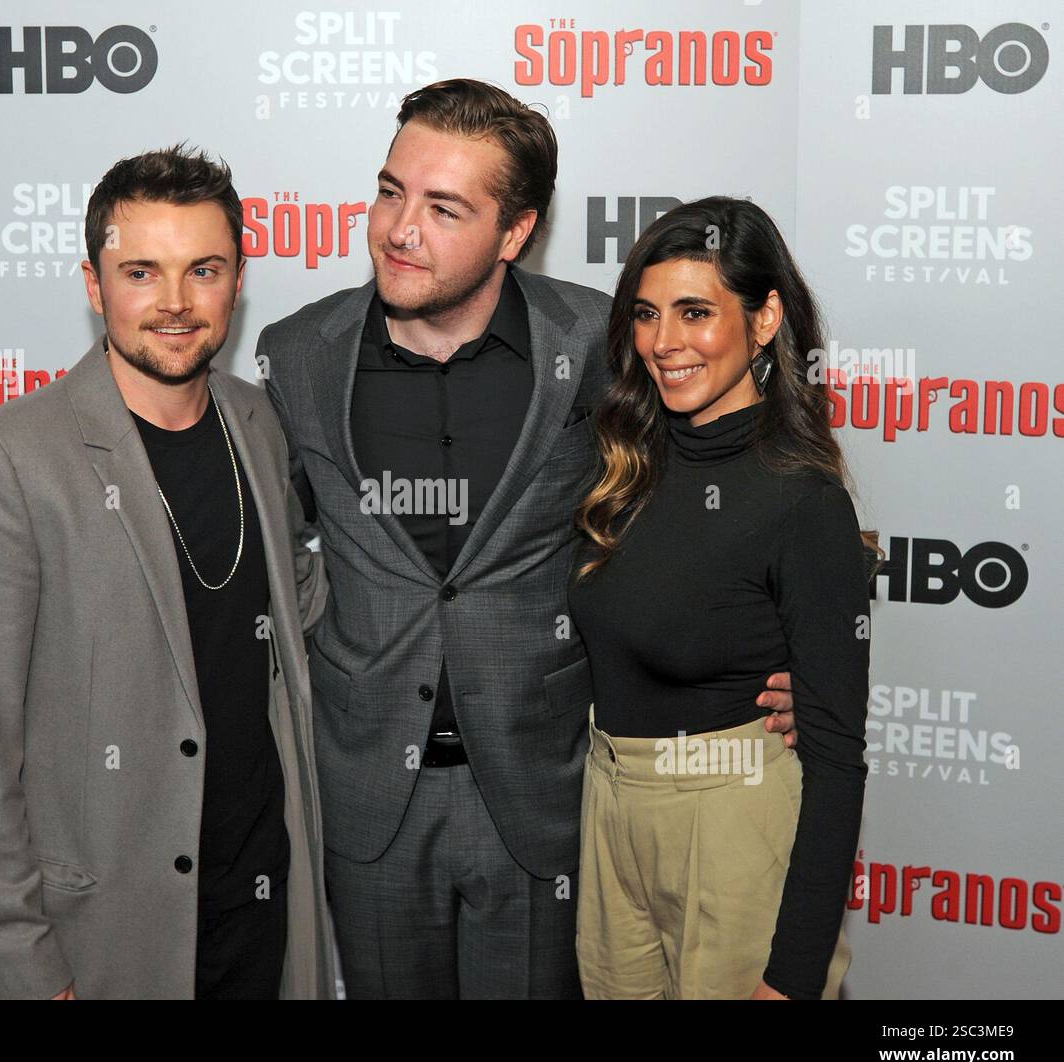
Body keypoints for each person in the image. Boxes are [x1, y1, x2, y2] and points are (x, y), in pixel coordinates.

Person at [259, 80, 800, 999]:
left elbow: (721, 491)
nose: (398, 228)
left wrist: (793, 653)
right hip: (368, 800)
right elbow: (275, 551)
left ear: (514, 232)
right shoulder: (298, 354)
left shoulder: (597, 338)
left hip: (542, 792)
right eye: (391, 190)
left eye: (443, 208)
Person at [0, 145, 333, 999]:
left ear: (238, 279)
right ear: (93, 282)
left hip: (259, 908)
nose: (176, 303)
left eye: (203, 270)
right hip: (101, 939)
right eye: (141, 271)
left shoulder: (257, 422)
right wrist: (24, 967)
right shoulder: (8, 458)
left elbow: (292, 608)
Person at [569, 196, 878, 999]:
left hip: (733, 821)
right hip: (610, 811)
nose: (663, 343)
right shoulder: (622, 463)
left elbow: (839, 761)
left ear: (766, 316)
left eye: (696, 312)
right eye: (646, 314)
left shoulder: (802, 501)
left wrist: (795, 974)